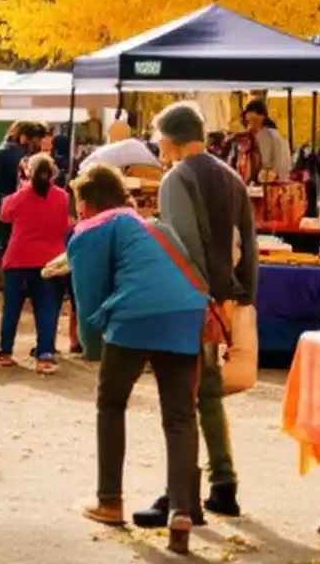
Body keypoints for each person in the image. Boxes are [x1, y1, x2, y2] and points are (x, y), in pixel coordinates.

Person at [70, 164, 207, 553]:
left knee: (111, 401)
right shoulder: (151, 225)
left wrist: (91, 346)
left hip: (136, 313)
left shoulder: (96, 228)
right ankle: (181, 511)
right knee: (180, 414)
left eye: (79, 206)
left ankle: (109, 500)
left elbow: (89, 292)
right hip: (186, 311)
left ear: (89, 203)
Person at [135, 102, 257, 527]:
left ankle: (181, 497)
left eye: (158, 140)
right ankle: (224, 484)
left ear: (170, 140)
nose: (158, 148)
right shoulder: (231, 175)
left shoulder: (176, 179)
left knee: (181, 398)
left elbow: (183, 250)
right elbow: (251, 245)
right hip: (225, 297)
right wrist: (243, 296)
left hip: (194, 300)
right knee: (205, 394)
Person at [0, 153, 70, 373]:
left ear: (28, 172)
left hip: (17, 259)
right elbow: (67, 223)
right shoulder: (63, 198)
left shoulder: (16, 198)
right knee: (47, 308)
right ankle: (45, 355)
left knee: (12, 308)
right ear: (53, 173)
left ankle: (5, 353)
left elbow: (3, 216)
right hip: (50, 261)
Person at [81, 119, 162, 173]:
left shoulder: (102, 153)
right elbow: (158, 168)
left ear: (111, 135)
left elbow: (83, 170)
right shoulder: (140, 148)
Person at [241, 99, 291, 181]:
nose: (249, 126)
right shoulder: (275, 133)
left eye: (250, 121)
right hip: (283, 179)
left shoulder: (264, 134)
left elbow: (266, 162)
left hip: (271, 180)